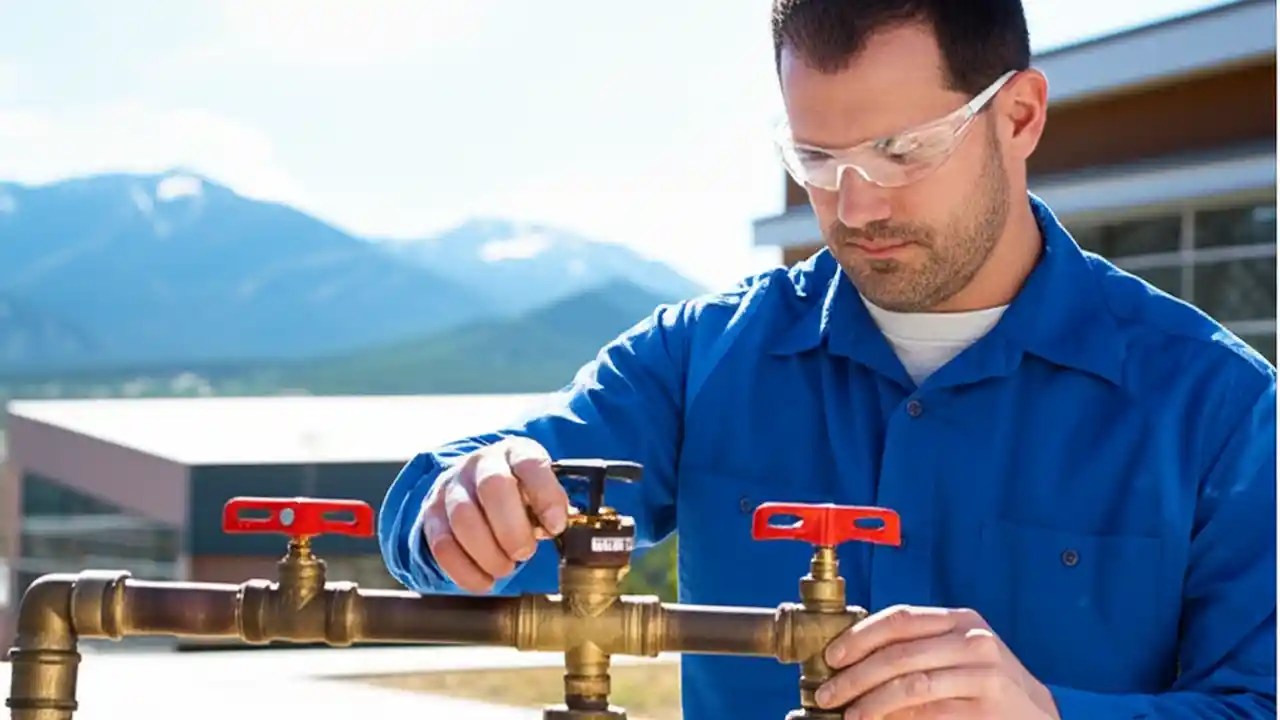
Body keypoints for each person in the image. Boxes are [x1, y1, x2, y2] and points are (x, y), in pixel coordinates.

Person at [378, 0, 1277, 717]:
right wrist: (462, 504)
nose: (854, 206)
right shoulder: (701, 356)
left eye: (900, 150)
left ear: (1020, 114)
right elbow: (450, 506)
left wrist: (1048, 717)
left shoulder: (1222, 411)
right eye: (816, 156)